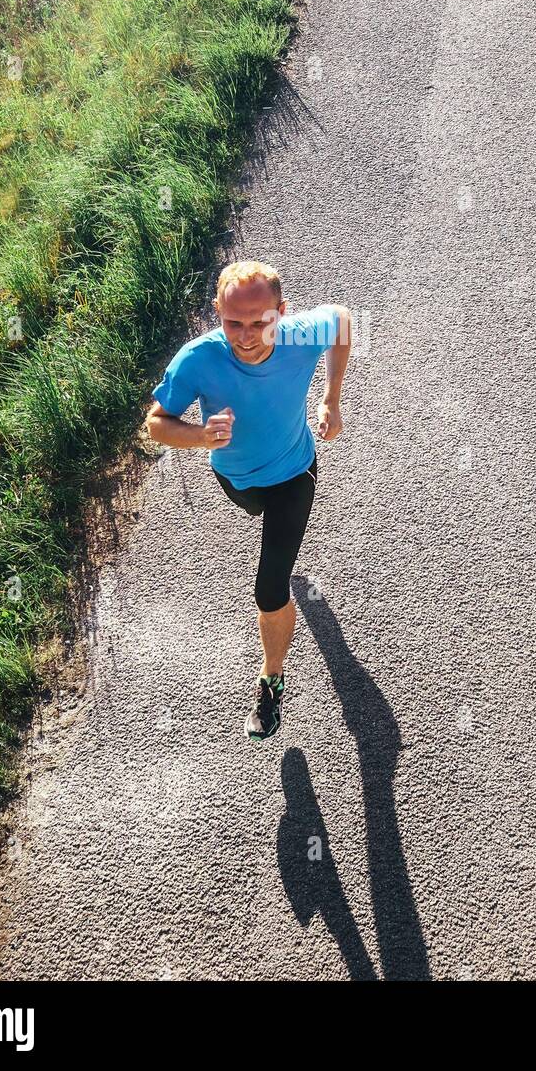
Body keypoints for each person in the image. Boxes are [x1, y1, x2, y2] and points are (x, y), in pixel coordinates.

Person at [145, 260, 352, 741]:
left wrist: (332, 398)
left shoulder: (301, 337)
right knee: (256, 514)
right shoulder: (197, 359)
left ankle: (271, 678)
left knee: (269, 586)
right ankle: (285, 585)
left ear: (282, 312)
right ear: (216, 311)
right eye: (232, 322)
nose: (246, 335)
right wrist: (200, 437)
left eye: (260, 321)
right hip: (236, 479)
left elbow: (342, 320)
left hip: (294, 472)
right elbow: (156, 423)